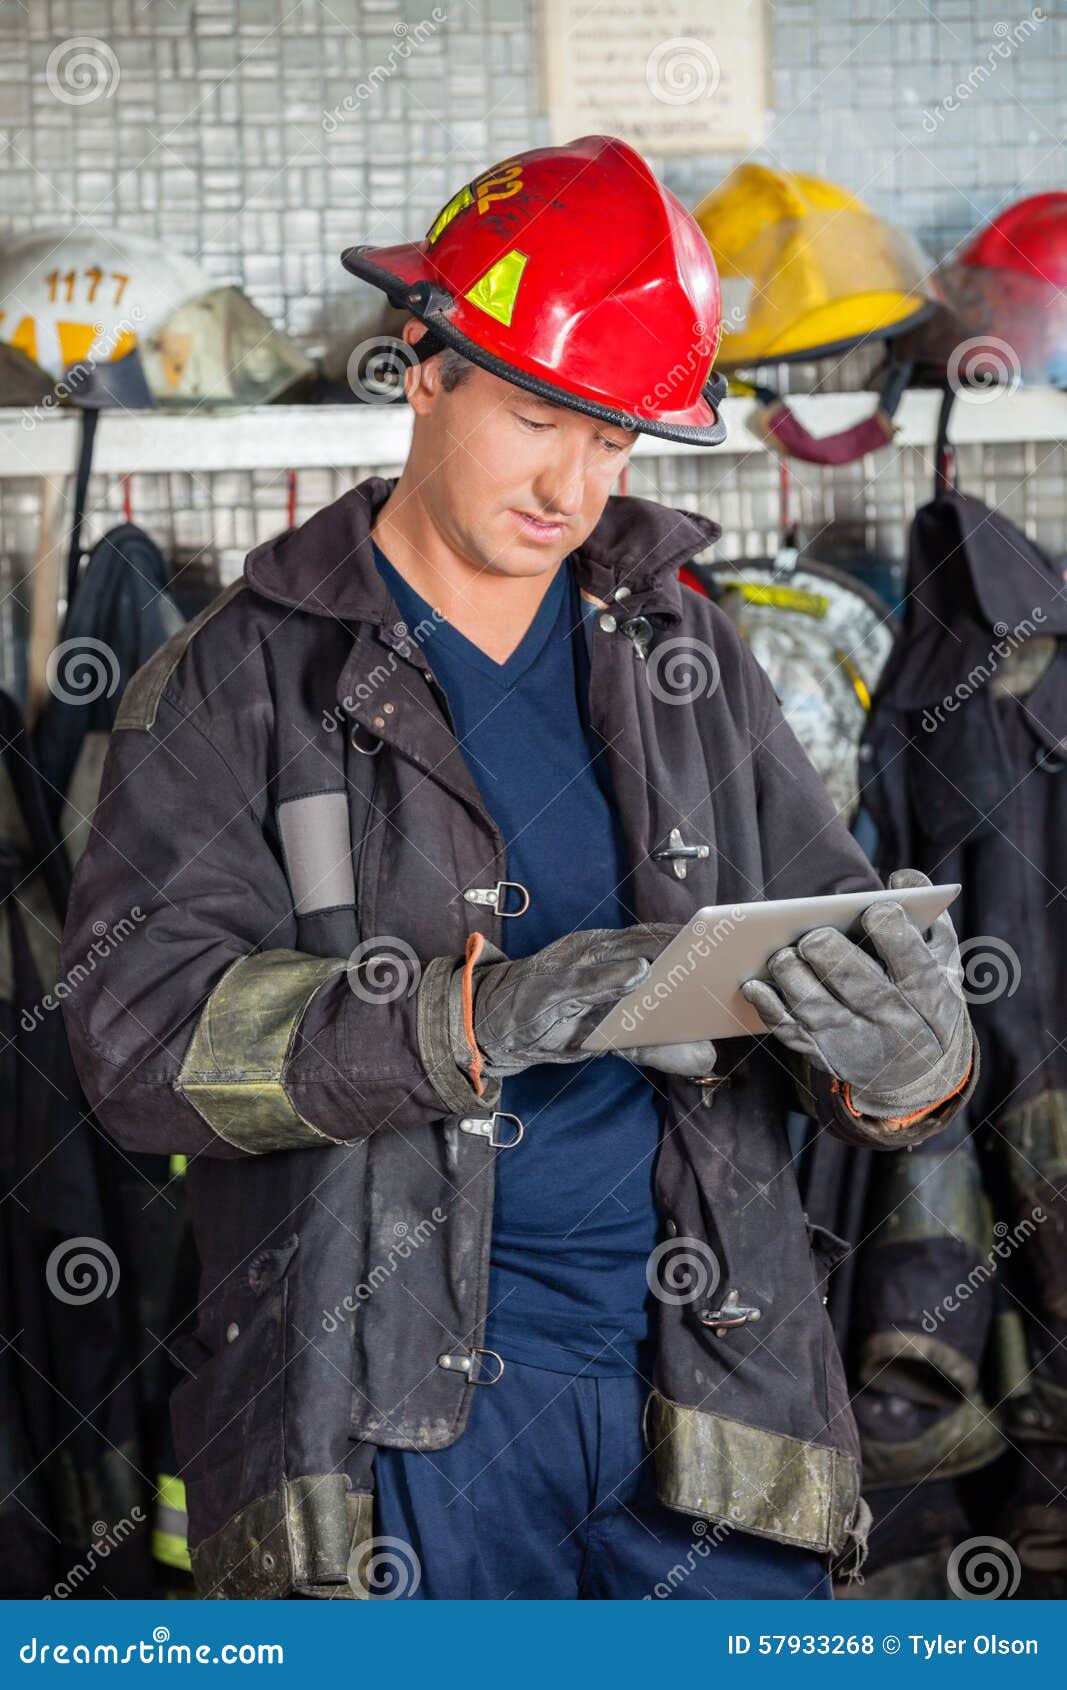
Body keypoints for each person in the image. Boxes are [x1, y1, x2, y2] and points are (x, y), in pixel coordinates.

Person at [61, 135, 978, 1601]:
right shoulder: (242, 680)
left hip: (710, 1402)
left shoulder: (689, 656)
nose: (575, 481)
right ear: (424, 367)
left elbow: (836, 942)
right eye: (542, 413)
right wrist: (481, 1018)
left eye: (613, 437)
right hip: (394, 1428)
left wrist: (905, 1066)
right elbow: (137, 1041)